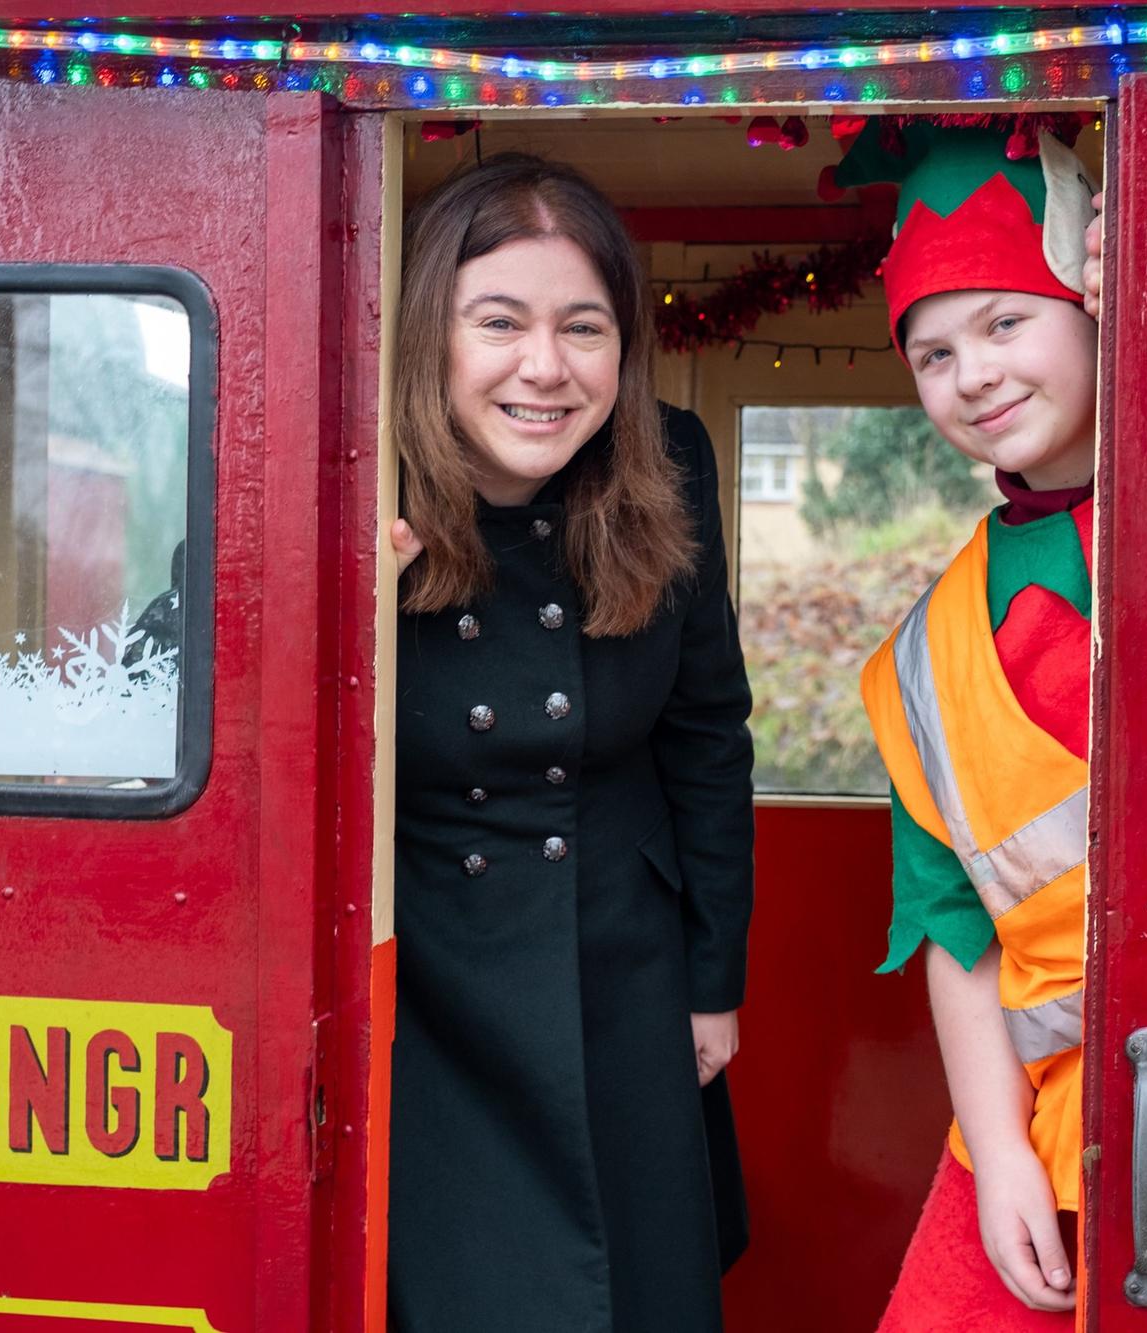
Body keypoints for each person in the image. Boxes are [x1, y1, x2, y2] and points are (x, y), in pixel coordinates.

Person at [384, 152, 753, 1333]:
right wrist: (325, 601)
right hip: (422, 983)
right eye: (499, 322)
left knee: (636, 1292)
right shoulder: (338, 473)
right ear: (429, 335)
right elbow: (184, 682)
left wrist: (711, 980)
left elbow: (706, 734)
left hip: (624, 968)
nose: (544, 367)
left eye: (582, 328)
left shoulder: (670, 461)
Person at [829, 119, 1102, 1328]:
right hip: (1045, 1122)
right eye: (932, 354)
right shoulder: (927, 647)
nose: (973, 375)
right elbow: (955, 929)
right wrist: (996, 1154)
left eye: (1006, 322)